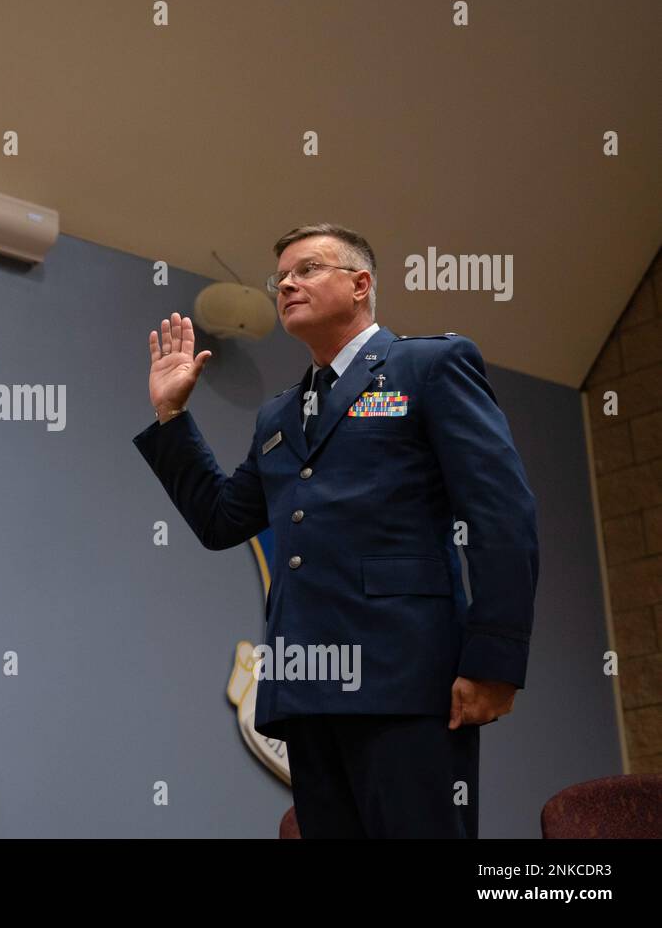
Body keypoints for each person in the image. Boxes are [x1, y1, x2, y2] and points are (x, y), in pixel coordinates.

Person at [134, 223, 539, 838]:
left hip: (405, 676)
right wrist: (171, 415)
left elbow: (501, 512)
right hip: (307, 687)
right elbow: (221, 521)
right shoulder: (279, 412)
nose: (287, 284)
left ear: (361, 284)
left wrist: (496, 660)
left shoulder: (428, 366)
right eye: (281, 278)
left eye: (308, 269)